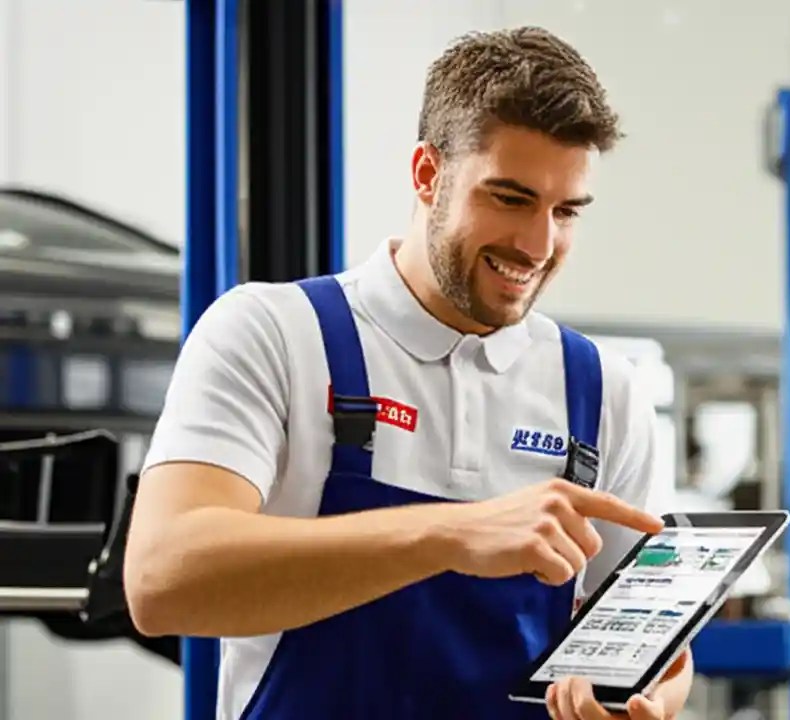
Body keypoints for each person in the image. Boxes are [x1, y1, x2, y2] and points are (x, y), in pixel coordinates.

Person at [123, 26, 693, 720]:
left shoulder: (603, 393)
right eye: (510, 199)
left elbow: (650, 652)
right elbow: (160, 580)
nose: (539, 245)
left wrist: (651, 697)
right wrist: (452, 535)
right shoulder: (273, 334)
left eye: (565, 211)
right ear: (427, 174)